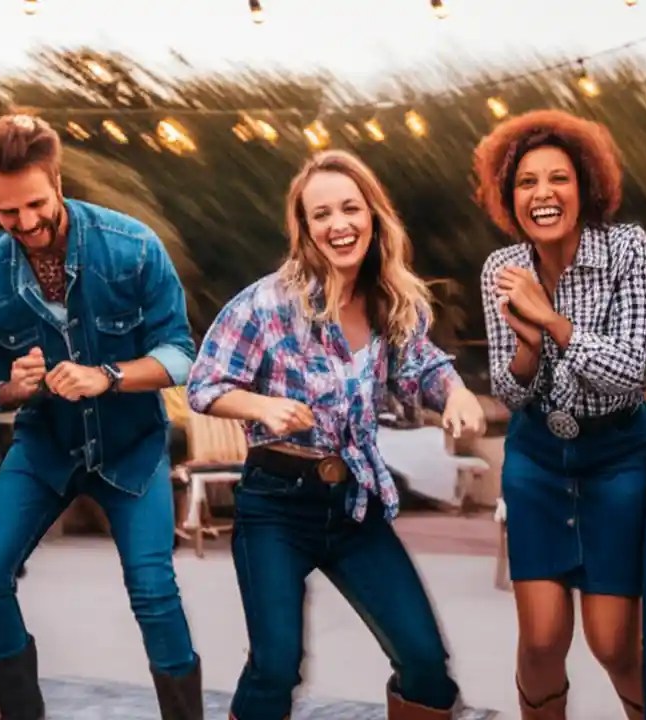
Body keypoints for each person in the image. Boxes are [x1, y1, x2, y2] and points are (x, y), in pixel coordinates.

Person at [187, 149, 487, 720]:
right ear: (304, 228)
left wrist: (458, 394)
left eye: (350, 208)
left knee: (424, 661)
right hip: (275, 501)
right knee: (276, 665)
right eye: (320, 214)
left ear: (373, 215)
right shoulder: (268, 303)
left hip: (353, 501)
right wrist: (263, 405)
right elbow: (205, 383)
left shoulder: (389, 301)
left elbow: (421, 366)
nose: (338, 224)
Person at [0, 113, 202, 720]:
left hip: (132, 446)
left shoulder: (133, 245)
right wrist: (15, 389)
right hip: (45, 448)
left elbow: (180, 353)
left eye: (36, 204)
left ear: (58, 180)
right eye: (7, 212)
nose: (26, 223)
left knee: (152, 590)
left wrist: (109, 376)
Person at [473, 109, 646, 719]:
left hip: (617, 458)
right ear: (510, 197)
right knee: (543, 638)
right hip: (537, 459)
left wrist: (552, 321)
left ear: (586, 187)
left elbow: (632, 373)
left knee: (613, 644)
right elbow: (511, 392)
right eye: (526, 182)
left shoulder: (629, 249)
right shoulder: (501, 270)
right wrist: (528, 346)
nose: (542, 193)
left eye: (558, 178)